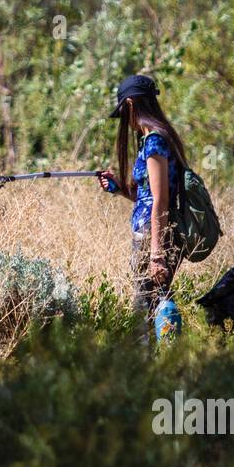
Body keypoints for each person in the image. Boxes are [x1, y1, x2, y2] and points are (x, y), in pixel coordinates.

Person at [95, 74, 189, 330]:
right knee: (151, 305)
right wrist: (120, 189)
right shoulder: (155, 138)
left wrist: (156, 254)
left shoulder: (155, 140)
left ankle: (149, 364)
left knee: (143, 308)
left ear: (130, 105)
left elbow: (160, 200)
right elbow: (149, 196)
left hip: (152, 235)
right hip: (150, 230)